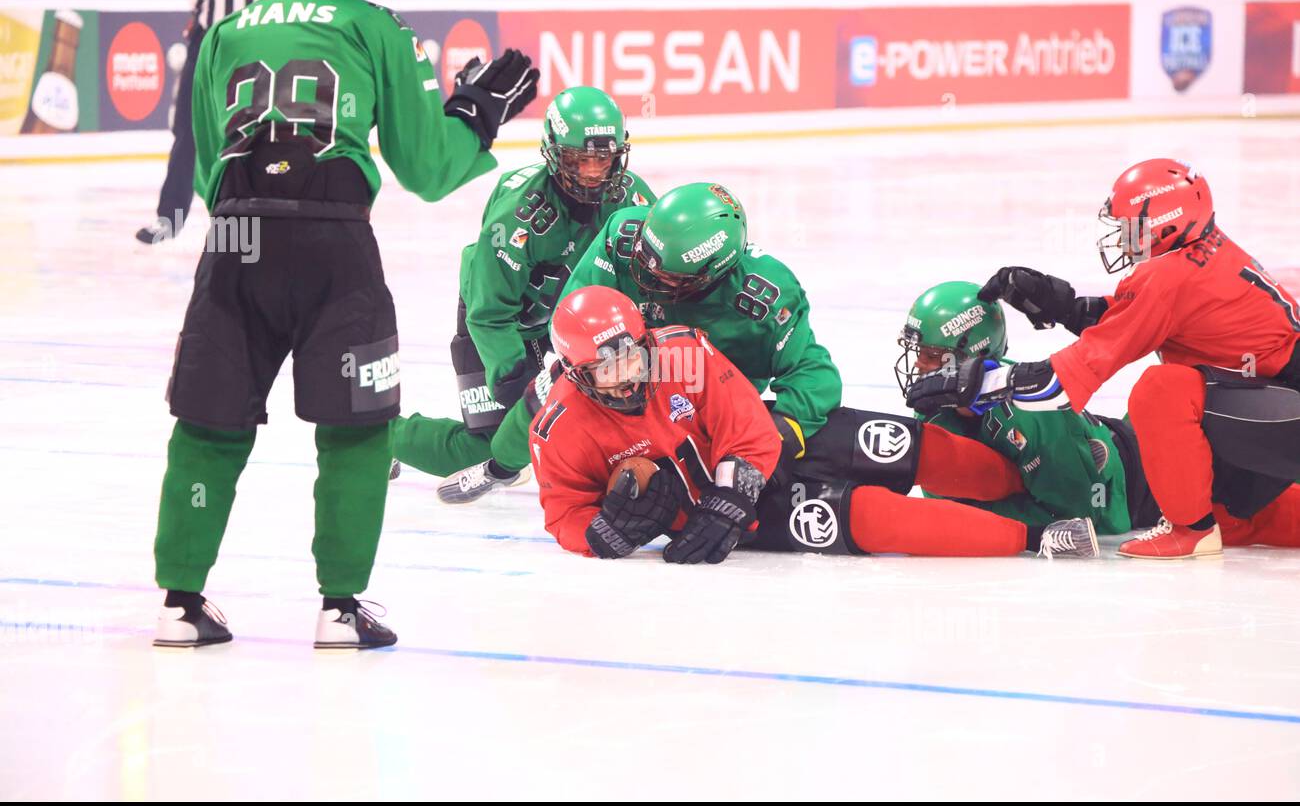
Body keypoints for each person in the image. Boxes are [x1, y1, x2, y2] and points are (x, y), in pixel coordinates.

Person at [152, 0, 538, 649]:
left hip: (237, 241)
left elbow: (211, 172)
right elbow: (426, 169)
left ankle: (180, 603)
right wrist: (476, 116)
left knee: (208, 424)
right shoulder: (376, 27)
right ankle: (339, 609)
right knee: (357, 429)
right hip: (335, 244)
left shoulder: (226, 33)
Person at [560, 181, 1042, 518]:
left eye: (667, 276)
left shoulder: (765, 298)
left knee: (856, 446)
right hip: (612, 400)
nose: (646, 276)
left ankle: (1017, 490)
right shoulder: (623, 237)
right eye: (646, 259)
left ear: (714, 274)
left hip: (707, 420)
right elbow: (573, 324)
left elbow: (814, 374)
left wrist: (777, 436)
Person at [906, 159, 1300, 559]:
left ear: (1166, 221)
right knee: (1232, 514)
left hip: (1281, 409)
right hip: (1272, 405)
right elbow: (1129, 318)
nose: (1124, 240)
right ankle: (1214, 519)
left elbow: (1057, 384)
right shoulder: (1197, 255)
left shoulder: (1169, 280)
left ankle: (1192, 532)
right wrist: (1060, 305)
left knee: (1162, 392)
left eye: (1131, 228)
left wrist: (982, 382)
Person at [532, 287, 1100, 562]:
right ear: (573, 372)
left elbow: (749, 423)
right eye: (607, 370)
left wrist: (731, 495)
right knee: (876, 520)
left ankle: (1047, 485)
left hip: (773, 450)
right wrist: (597, 537)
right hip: (727, 519)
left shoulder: (680, 350)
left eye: (633, 356)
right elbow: (563, 512)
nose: (628, 375)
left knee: (911, 448)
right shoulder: (558, 429)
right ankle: (1035, 537)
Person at [391, 86, 654, 502]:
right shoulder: (518, 216)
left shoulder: (634, 198)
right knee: (494, 445)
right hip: (496, 322)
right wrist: (517, 386)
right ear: (553, 152)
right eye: (577, 159)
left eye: (601, 158)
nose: (591, 172)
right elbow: (489, 314)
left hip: (569, 325)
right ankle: (380, 436)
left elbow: (651, 272)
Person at [897, 280, 1161, 533]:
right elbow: (942, 493)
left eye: (931, 355)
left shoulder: (1030, 414)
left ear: (973, 355)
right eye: (917, 351)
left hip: (1142, 486)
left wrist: (974, 512)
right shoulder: (934, 401)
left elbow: (1078, 517)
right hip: (1088, 451)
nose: (919, 365)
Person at [135, 0, 259, 246]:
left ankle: (248, 221)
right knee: (188, 129)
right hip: (207, 39)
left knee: (250, 131)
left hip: (258, 38)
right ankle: (170, 219)